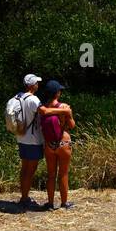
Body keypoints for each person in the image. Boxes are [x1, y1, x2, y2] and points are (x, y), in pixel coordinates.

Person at [13, 73, 72, 209]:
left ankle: (44, 202)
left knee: (33, 171)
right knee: (59, 173)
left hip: (24, 138)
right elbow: (46, 113)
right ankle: (63, 203)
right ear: (32, 85)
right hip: (43, 141)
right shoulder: (35, 100)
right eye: (36, 83)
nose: (37, 85)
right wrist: (65, 112)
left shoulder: (19, 97)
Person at [41, 80, 75, 210]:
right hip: (63, 142)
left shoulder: (44, 108)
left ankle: (50, 203)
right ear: (57, 93)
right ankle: (64, 203)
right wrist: (70, 115)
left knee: (51, 174)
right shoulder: (63, 107)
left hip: (49, 144)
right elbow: (71, 125)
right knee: (63, 174)